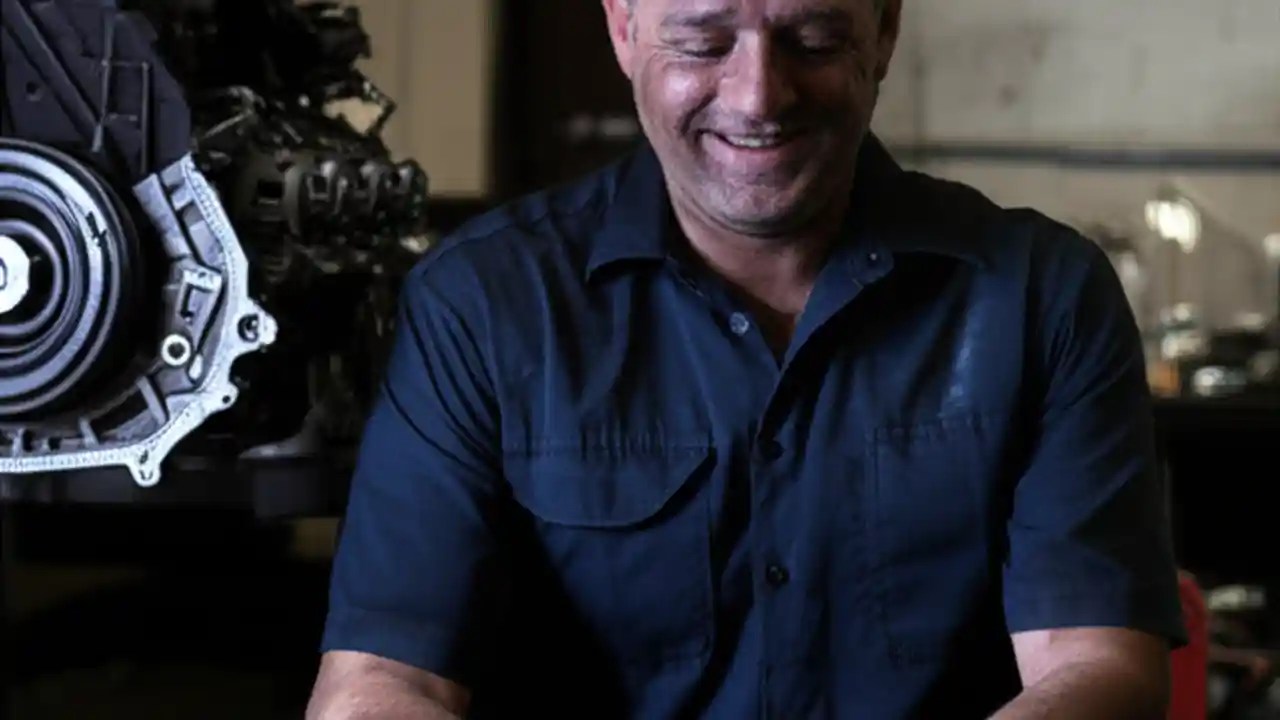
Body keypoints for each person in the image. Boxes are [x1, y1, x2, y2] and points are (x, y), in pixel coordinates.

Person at [306, 0, 1187, 717]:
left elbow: (1096, 667)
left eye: (812, 39)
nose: (759, 96)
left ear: (885, 30)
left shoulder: (1041, 298)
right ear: (623, 28)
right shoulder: (484, 304)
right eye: (703, 41)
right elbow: (384, 684)